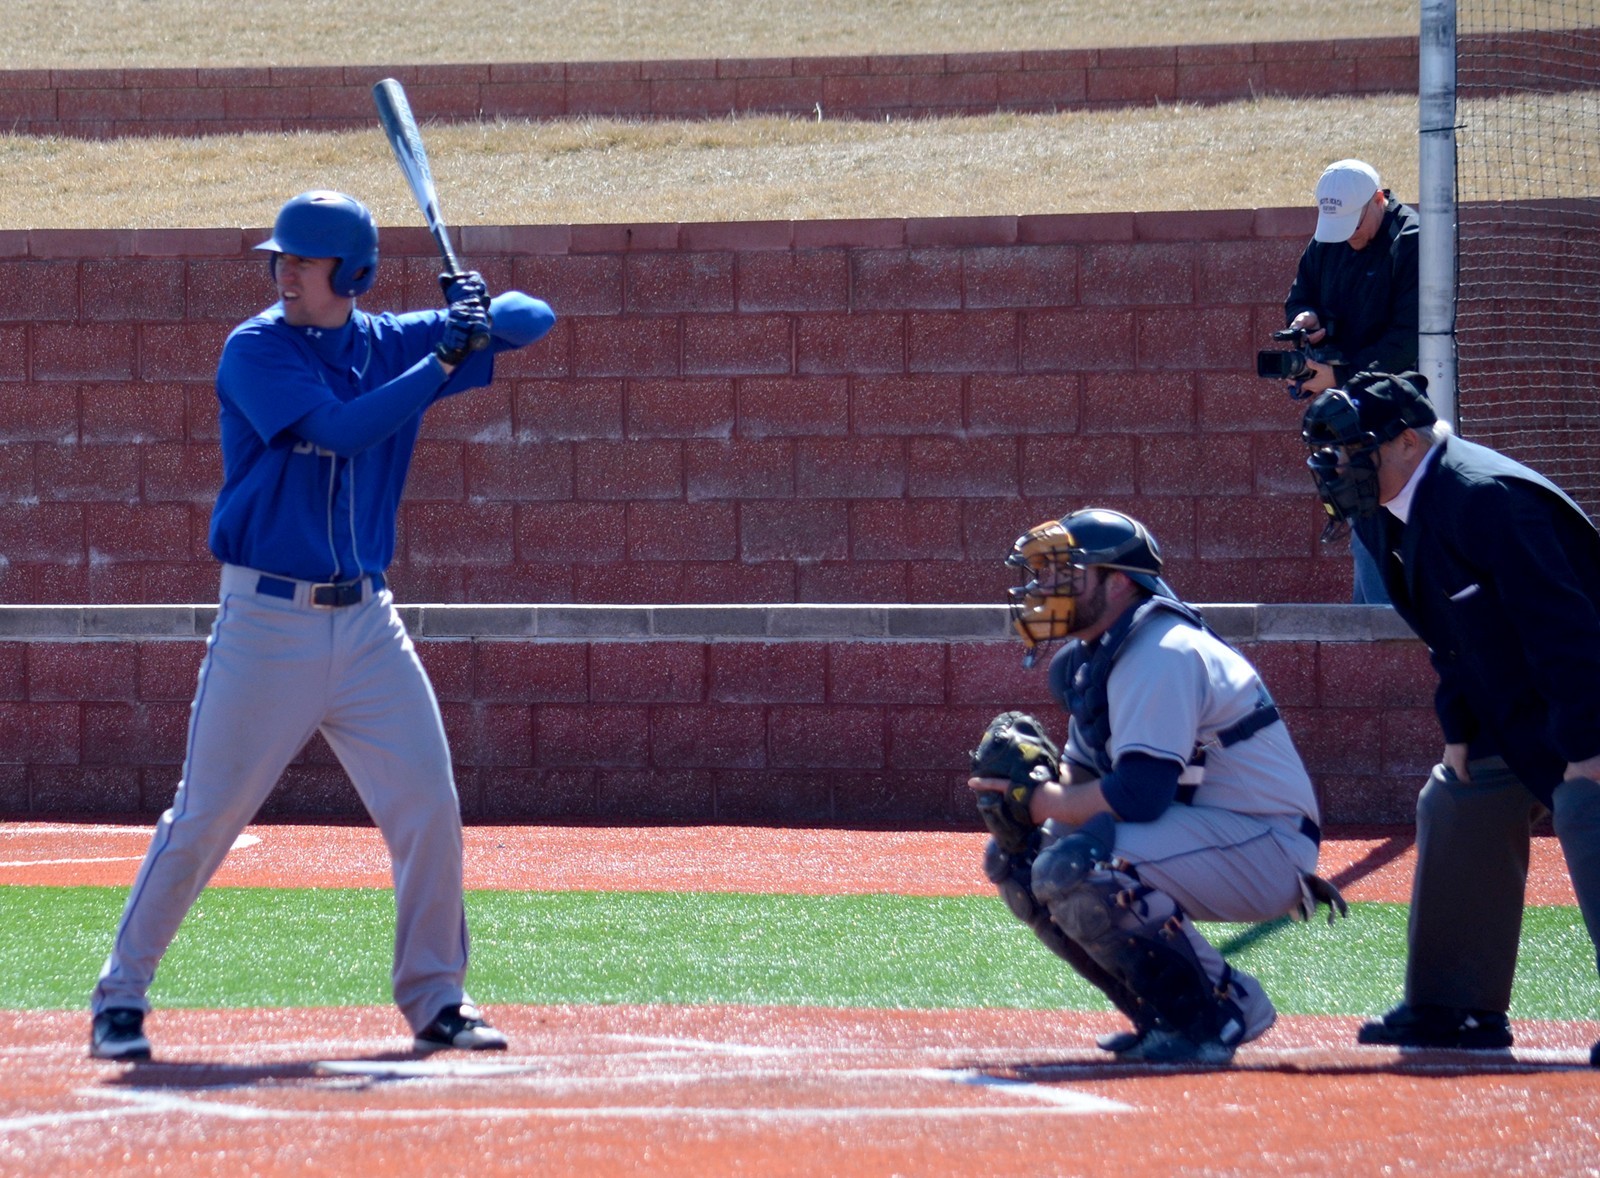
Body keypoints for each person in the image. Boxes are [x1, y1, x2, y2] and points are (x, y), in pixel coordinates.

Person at [87, 190, 557, 1062]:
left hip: (369, 623)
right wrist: (444, 358)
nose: (285, 272)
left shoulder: (390, 341)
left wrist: (477, 310)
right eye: (283, 259)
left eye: (303, 261)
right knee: (204, 817)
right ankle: (120, 996)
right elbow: (341, 432)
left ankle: (436, 1000)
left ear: (354, 274)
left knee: (427, 804)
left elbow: (539, 319)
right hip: (268, 622)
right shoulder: (256, 348)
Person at [1301, 371, 1600, 1067]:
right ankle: (1455, 1008)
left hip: (1587, 688)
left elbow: (1569, 631)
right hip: (1526, 703)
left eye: (1353, 451)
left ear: (1407, 441)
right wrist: (1460, 730)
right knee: (1457, 797)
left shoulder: (1482, 497)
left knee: (1588, 809)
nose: (1339, 469)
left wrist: (1588, 750)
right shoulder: (1385, 505)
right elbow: (1451, 632)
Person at [967, 508, 1335, 1064]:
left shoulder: (1162, 650)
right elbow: (1084, 786)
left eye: (1064, 573)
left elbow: (1140, 794)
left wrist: (1038, 800)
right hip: (1196, 836)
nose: (1045, 589)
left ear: (1118, 582)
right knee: (1019, 861)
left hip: (1265, 843)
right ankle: (1165, 1016)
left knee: (1079, 866)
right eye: (1043, 575)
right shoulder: (1094, 658)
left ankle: (1224, 1008)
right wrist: (1026, 799)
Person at [1283, 157, 1420, 606]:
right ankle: (1372, 630)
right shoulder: (1330, 239)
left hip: (1402, 413)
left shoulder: (1412, 243)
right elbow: (1301, 296)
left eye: (1354, 223)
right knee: (1366, 521)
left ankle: (1381, 633)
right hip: (1349, 409)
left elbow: (1410, 339)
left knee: (1390, 524)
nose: (1348, 236)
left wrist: (1339, 375)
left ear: (1379, 201)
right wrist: (1307, 319)